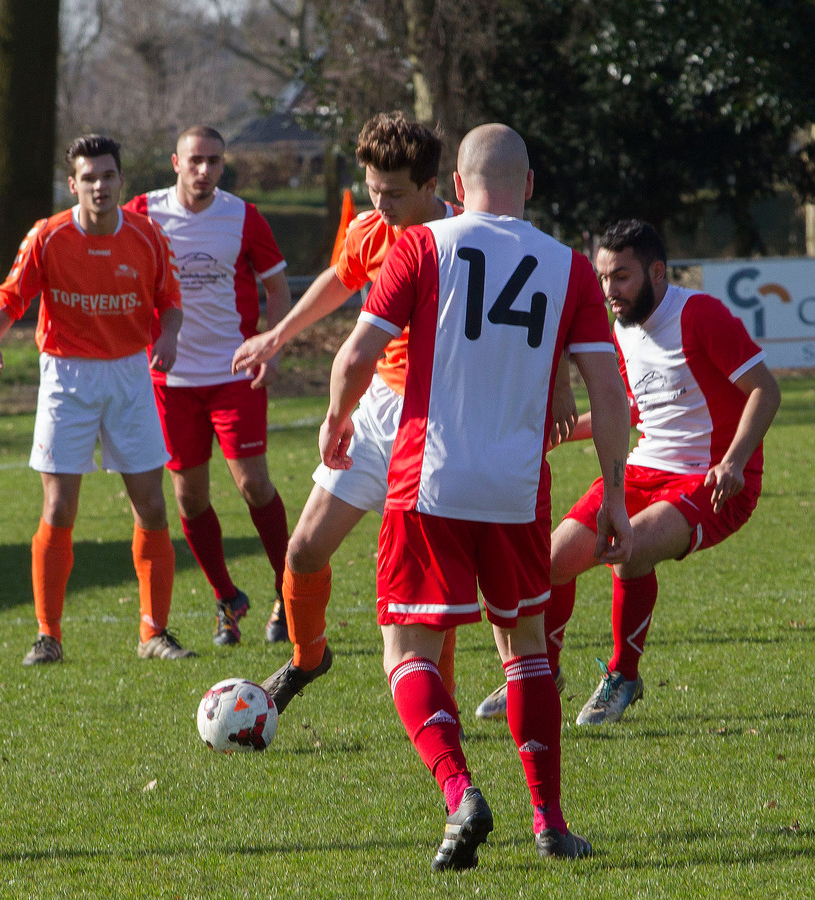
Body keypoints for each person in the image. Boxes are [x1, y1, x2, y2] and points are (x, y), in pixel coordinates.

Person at [322, 123, 633, 869]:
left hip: (429, 478)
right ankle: (550, 822)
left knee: (407, 646)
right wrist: (615, 493)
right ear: (528, 185)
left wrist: (336, 421)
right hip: (519, 487)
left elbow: (358, 353)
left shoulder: (422, 247)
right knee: (525, 650)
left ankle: (460, 792)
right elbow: (609, 391)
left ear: (456, 186)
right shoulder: (568, 267)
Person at [233, 111, 577, 711]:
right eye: (371, 189)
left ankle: (471, 698)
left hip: (450, 419)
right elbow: (340, 280)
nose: (381, 204)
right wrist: (279, 334)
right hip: (379, 409)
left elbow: (531, 314)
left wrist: (558, 384)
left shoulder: (468, 234)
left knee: (439, 590)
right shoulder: (371, 230)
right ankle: (306, 658)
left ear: (433, 186)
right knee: (304, 549)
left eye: (394, 193)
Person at [474, 218, 781, 725]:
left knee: (628, 547)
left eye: (621, 277)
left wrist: (734, 461)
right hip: (641, 471)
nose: (609, 291)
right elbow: (633, 413)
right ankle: (540, 674)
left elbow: (764, 390)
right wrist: (550, 434)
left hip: (712, 482)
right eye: (603, 278)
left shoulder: (699, 314)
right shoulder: (620, 329)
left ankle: (623, 676)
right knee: (550, 561)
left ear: (657, 272)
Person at [0, 134, 192, 665]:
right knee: (59, 505)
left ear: (122, 181)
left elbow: (171, 303)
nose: (99, 185)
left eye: (108, 176)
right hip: (67, 379)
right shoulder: (48, 237)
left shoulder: (146, 236)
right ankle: (48, 636)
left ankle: (153, 633)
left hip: (129, 375)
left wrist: (167, 337)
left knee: (152, 504)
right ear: (73, 184)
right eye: (88, 178)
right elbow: (10, 297)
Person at [124, 125, 293, 647]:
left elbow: (277, 287)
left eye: (214, 161)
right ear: (175, 162)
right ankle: (227, 598)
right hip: (169, 380)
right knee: (188, 497)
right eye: (195, 160)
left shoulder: (243, 215)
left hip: (234, 372)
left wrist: (273, 344)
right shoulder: (142, 213)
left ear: (223, 165)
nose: (204, 170)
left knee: (253, 484)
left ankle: (290, 592)